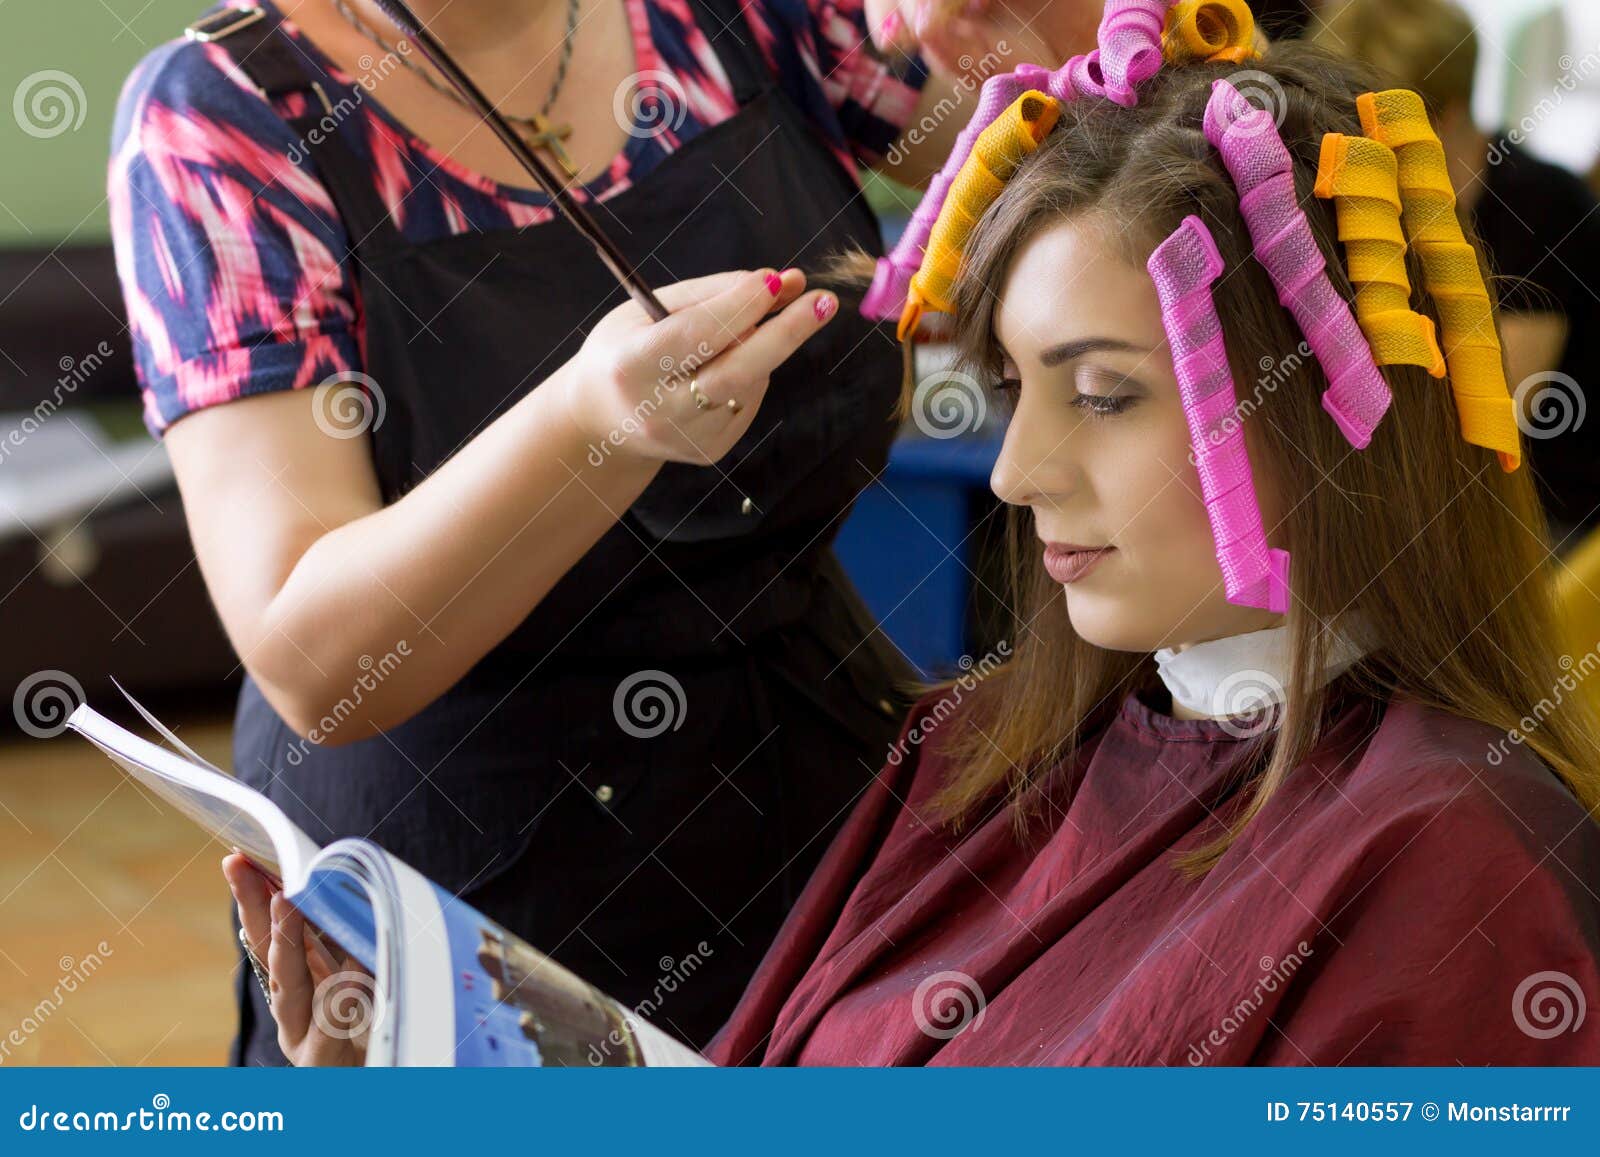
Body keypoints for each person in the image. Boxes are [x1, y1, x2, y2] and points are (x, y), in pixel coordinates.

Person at [232, 27, 1600, 1066]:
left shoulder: (1462, 877)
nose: (1016, 470)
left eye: (1104, 392)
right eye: (1015, 390)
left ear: (1318, 397)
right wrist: (433, 1062)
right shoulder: (975, 758)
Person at [110, 0, 1096, 1062]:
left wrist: (1053, 41)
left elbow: (1093, 152)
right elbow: (315, 650)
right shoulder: (227, 119)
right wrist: (590, 429)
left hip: (819, 805)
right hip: (470, 900)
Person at [1314, 0, 1600, 538]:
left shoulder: (1544, 210)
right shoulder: (1380, 207)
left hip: (1556, 515)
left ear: (1436, 117)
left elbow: (1493, 431)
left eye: (1364, 131)